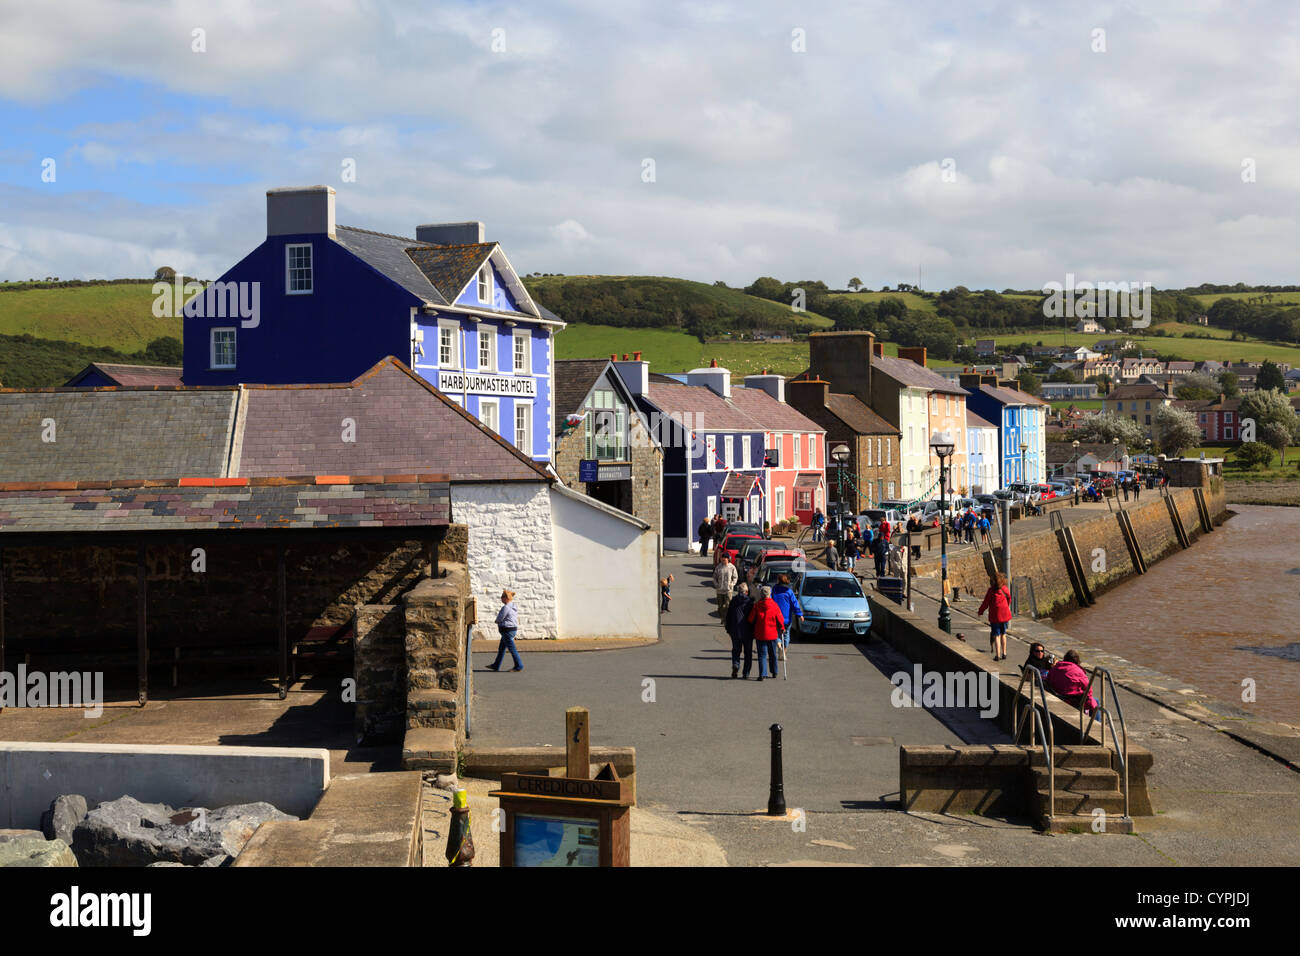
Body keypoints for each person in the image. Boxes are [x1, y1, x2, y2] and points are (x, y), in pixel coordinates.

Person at [747, 585, 786, 680]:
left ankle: (762, 674)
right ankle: (774, 671)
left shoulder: (757, 605)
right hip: (772, 634)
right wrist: (782, 627)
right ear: (770, 594)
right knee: (772, 654)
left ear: (761, 594)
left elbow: (751, 619)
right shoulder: (774, 605)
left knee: (762, 654)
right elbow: (780, 618)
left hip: (760, 633)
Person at [1047, 649, 1099, 715]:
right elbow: (1088, 690)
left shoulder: (1055, 668)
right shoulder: (1078, 671)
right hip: (1073, 701)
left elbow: (1048, 680)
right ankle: (1097, 723)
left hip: (1058, 697)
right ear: (1077, 660)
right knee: (1095, 702)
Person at [977, 572, 1013, 661]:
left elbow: (985, 603)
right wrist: (1006, 607)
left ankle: (998, 655)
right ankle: (1004, 653)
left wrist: (980, 611)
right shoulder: (1005, 589)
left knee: (996, 635)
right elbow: (1009, 598)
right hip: (1004, 615)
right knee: (1003, 634)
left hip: (995, 616)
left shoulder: (991, 591)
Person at [487, 589, 524, 672]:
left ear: (506, 598)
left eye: (502, 597)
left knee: (512, 649)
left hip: (507, 630)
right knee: (501, 649)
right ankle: (496, 665)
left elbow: (500, 618)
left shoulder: (506, 607)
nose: (501, 598)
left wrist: (497, 621)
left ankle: (519, 666)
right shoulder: (513, 606)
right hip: (510, 630)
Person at [725, 582, 755, 679]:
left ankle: (736, 665)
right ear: (746, 592)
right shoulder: (750, 602)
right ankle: (746, 673)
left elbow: (728, 616)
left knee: (736, 650)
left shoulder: (733, 601)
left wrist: (728, 628)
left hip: (735, 630)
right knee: (748, 652)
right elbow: (753, 618)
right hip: (748, 631)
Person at [770, 573, 803, 649]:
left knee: (777, 633)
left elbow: (770, 601)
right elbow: (794, 603)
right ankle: (784, 651)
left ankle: (778, 644)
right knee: (786, 634)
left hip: (776, 617)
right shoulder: (789, 592)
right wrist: (799, 614)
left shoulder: (774, 590)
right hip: (786, 618)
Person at [713, 553, 738, 621]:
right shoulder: (718, 567)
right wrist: (716, 584)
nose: (723, 560)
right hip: (720, 590)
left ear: (728, 559)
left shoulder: (732, 567)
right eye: (722, 559)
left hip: (728, 590)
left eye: (724, 559)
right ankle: (722, 617)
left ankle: (726, 619)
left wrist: (732, 584)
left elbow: (735, 577)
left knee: (727, 605)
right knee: (720, 607)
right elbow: (714, 577)